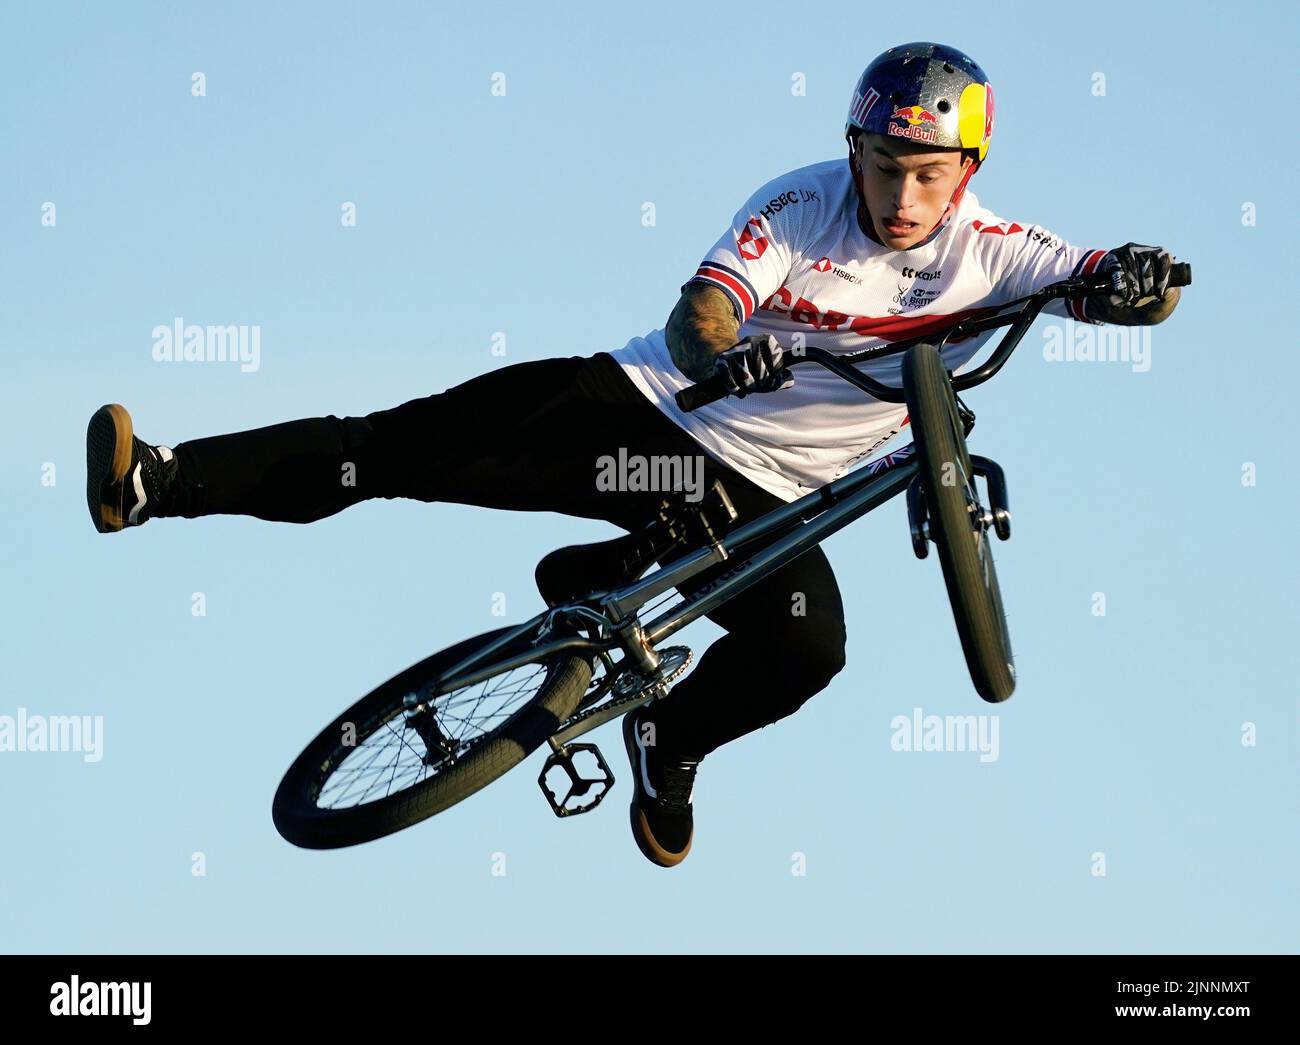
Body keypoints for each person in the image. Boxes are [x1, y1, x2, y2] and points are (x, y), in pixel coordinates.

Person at [85, 41, 1181, 869]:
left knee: (807, 649)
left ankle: (670, 733)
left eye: (928, 175)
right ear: (855, 150)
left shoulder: (997, 253)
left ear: (967, 167)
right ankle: (165, 480)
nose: (901, 199)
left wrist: (1139, 277)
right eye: (884, 167)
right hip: (642, 418)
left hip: (767, 499)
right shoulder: (800, 205)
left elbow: (1108, 283)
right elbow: (701, 311)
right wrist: (727, 357)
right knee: (400, 450)